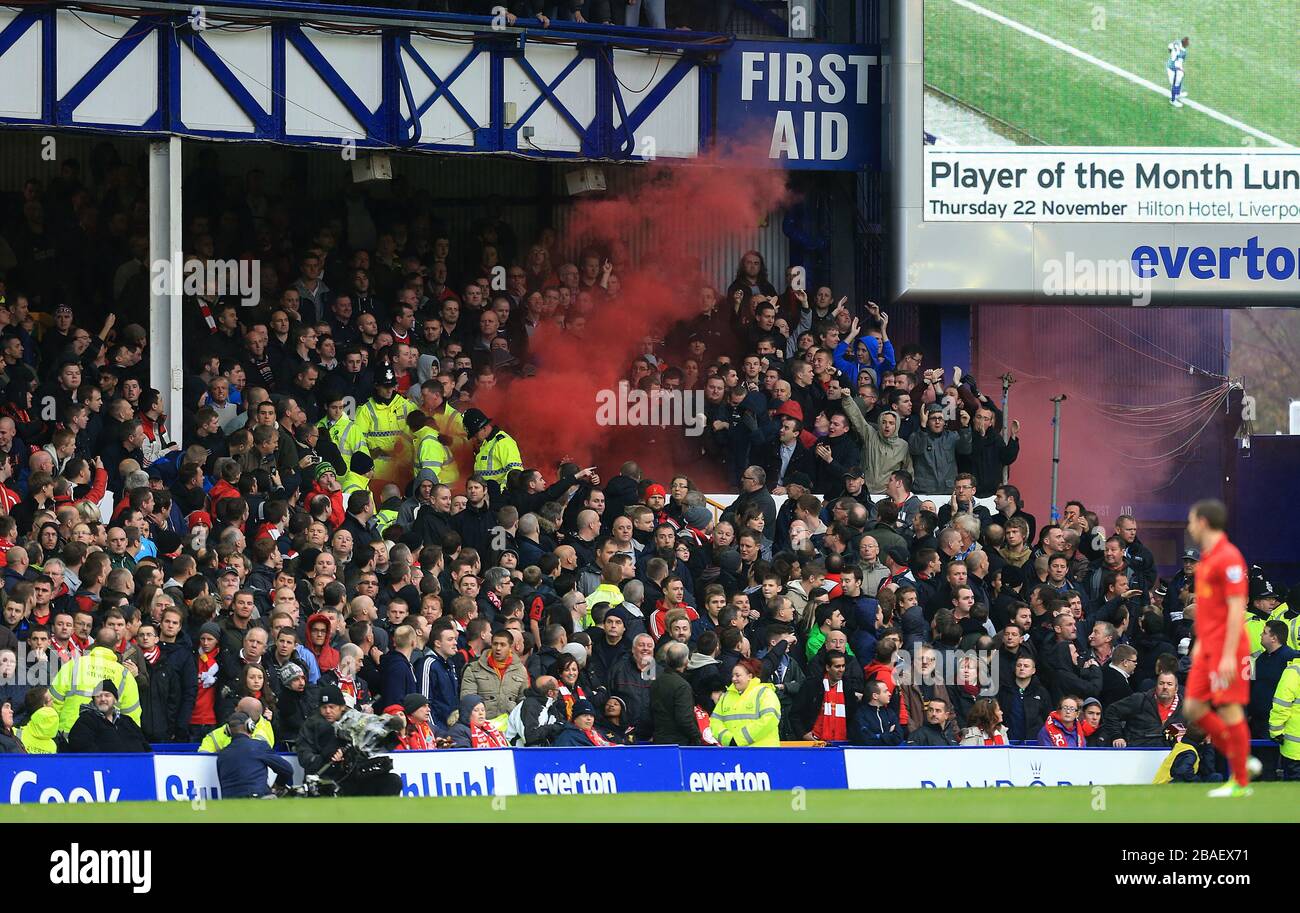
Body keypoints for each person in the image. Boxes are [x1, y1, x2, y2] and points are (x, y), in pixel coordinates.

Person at [1181, 500, 1260, 797]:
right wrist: (1200, 644)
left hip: (1229, 648)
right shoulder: (1206, 560)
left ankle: (1240, 781)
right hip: (1208, 647)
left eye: (1191, 520)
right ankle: (1243, 759)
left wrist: (1228, 654)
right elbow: (1207, 611)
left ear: (1202, 522)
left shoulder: (1229, 557)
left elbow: (1237, 607)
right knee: (1193, 707)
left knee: (1228, 707)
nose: (1189, 526)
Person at [48, 628, 142, 735]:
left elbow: (53, 701)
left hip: (70, 737)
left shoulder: (74, 665)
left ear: (95, 643)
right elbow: (131, 714)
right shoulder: (125, 674)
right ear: (116, 647)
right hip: (107, 741)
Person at [216, 711, 294, 798]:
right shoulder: (259, 746)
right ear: (250, 726)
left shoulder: (222, 754)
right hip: (258, 800)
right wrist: (277, 785)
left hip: (229, 804)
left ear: (228, 731)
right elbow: (287, 770)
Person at [709, 657, 780, 747]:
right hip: (734, 752)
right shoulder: (726, 697)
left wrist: (738, 740)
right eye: (733, 676)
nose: (734, 679)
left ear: (749, 676)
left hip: (763, 753)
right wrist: (728, 739)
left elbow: (769, 720)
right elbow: (715, 721)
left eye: (737, 675)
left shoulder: (764, 693)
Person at [66, 680, 151, 753]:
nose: (103, 699)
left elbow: (145, 747)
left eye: (107, 695)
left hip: (136, 768)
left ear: (115, 700)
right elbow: (82, 748)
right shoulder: (85, 721)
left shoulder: (127, 721)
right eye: (98, 696)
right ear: (93, 699)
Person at [650, 641, 701, 745]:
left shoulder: (656, 681)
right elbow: (684, 719)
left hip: (659, 740)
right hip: (679, 744)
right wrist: (697, 736)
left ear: (667, 660)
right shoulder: (682, 686)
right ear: (686, 661)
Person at [851, 679, 903, 747]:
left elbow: (899, 737)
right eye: (885, 691)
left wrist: (877, 736)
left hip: (890, 755)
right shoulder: (861, 714)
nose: (889, 694)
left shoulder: (890, 713)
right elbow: (865, 739)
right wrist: (888, 734)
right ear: (875, 696)